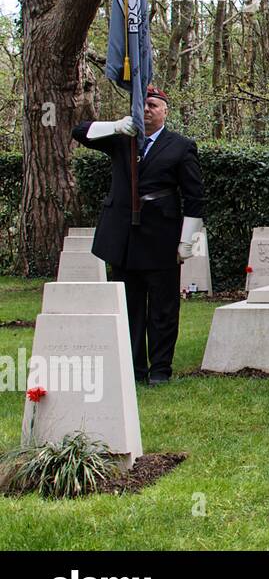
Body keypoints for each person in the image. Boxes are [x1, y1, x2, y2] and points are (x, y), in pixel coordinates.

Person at [73, 85, 206, 385]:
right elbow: (79, 132)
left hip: (161, 237)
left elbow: (194, 197)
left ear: (165, 111)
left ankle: (160, 369)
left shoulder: (180, 146)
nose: (146, 110)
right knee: (129, 308)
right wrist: (116, 124)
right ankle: (133, 369)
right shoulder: (123, 139)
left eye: (153, 105)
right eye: (142, 105)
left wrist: (188, 241)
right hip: (124, 239)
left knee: (163, 309)